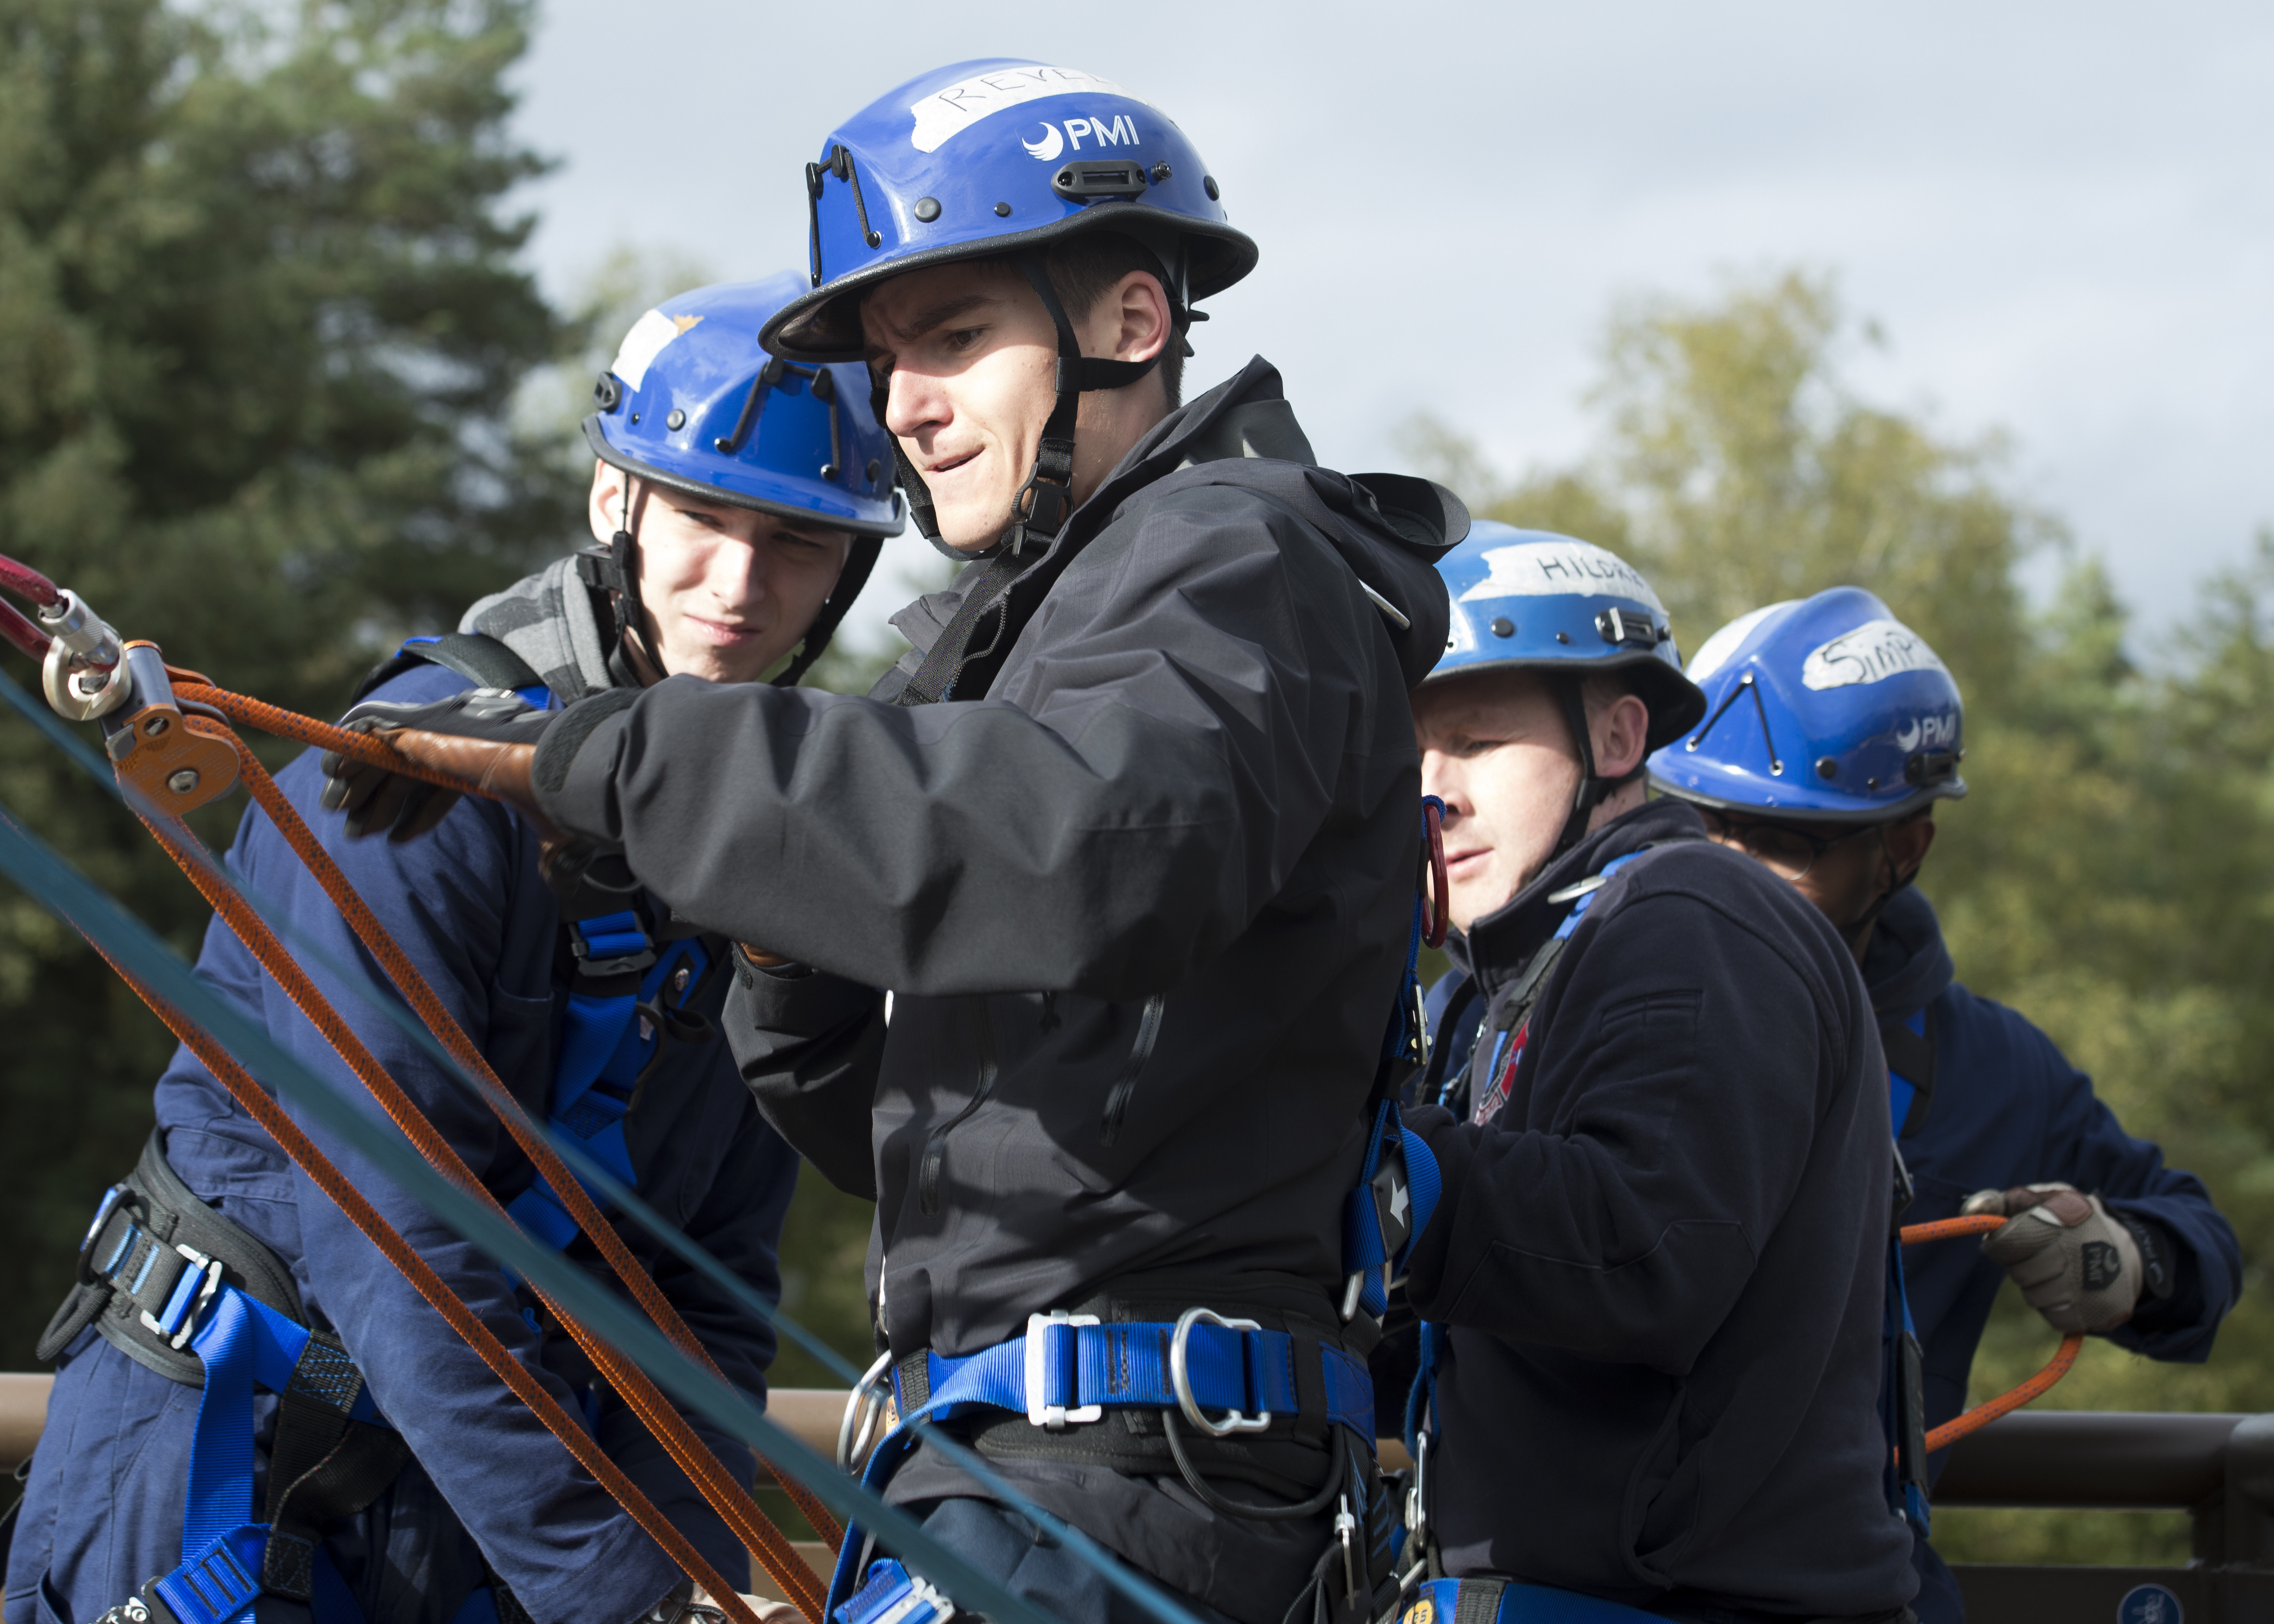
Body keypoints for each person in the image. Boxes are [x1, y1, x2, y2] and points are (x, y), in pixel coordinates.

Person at [316, 57, 1463, 1624]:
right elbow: (920, 1128)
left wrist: (617, 754)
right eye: (885, 357)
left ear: (1132, 319)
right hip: (1022, 1470)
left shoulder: (1232, 555)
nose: (903, 406)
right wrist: (780, 942)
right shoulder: (1039, 621)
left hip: (1121, 1480)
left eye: (953, 339)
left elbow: (1087, 850)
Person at [5, 274, 902, 1624]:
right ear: (618, 502)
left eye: (799, 541)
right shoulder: (404, 785)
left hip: (476, 1515)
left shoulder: (752, 851)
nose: (742, 581)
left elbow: (705, 1287)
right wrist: (626, 1595)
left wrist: (704, 1574)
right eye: (705, 519)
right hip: (224, 1462)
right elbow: (394, 1229)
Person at [1647, 586, 2241, 1624]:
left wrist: (2121, 1259)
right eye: (1708, 830)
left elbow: (2203, 1240)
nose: (1727, 882)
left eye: (1782, 843)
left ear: (1902, 851)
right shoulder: (1566, 1013)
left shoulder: (1991, 1070)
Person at [1394, 522, 1919, 1623]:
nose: (1430, 792)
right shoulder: (1498, 981)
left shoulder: (1686, 919)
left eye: (1476, 742)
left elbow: (1641, 1249)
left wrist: (1370, 1165)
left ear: (1619, 735)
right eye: (1411, 757)